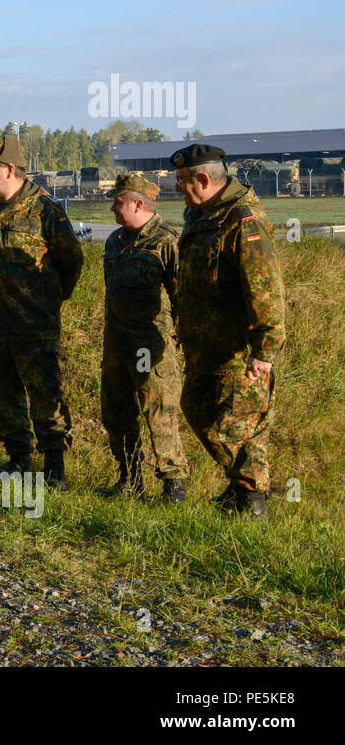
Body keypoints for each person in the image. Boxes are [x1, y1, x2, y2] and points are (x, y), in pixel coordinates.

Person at [172, 143, 285, 517]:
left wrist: (264, 352)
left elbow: (264, 288)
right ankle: (243, 489)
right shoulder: (201, 214)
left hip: (238, 352)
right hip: (204, 345)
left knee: (237, 428)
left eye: (182, 181)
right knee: (196, 408)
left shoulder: (243, 220)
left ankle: (252, 501)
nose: (177, 189)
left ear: (204, 179)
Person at [0, 134, 83, 488]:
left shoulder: (44, 210)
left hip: (33, 324)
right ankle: (18, 458)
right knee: (4, 394)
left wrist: (49, 300)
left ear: (12, 169)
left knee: (45, 394)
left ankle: (54, 468)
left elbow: (72, 261)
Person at [99, 173, 188, 502]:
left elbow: (183, 299)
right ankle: (129, 478)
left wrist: (183, 340)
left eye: (118, 202)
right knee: (116, 410)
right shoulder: (115, 242)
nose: (112, 208)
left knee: (158, 409)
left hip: (149, 345)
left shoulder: (167, 242)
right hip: (116, 343)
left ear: (139, 203)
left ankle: (173, 484)